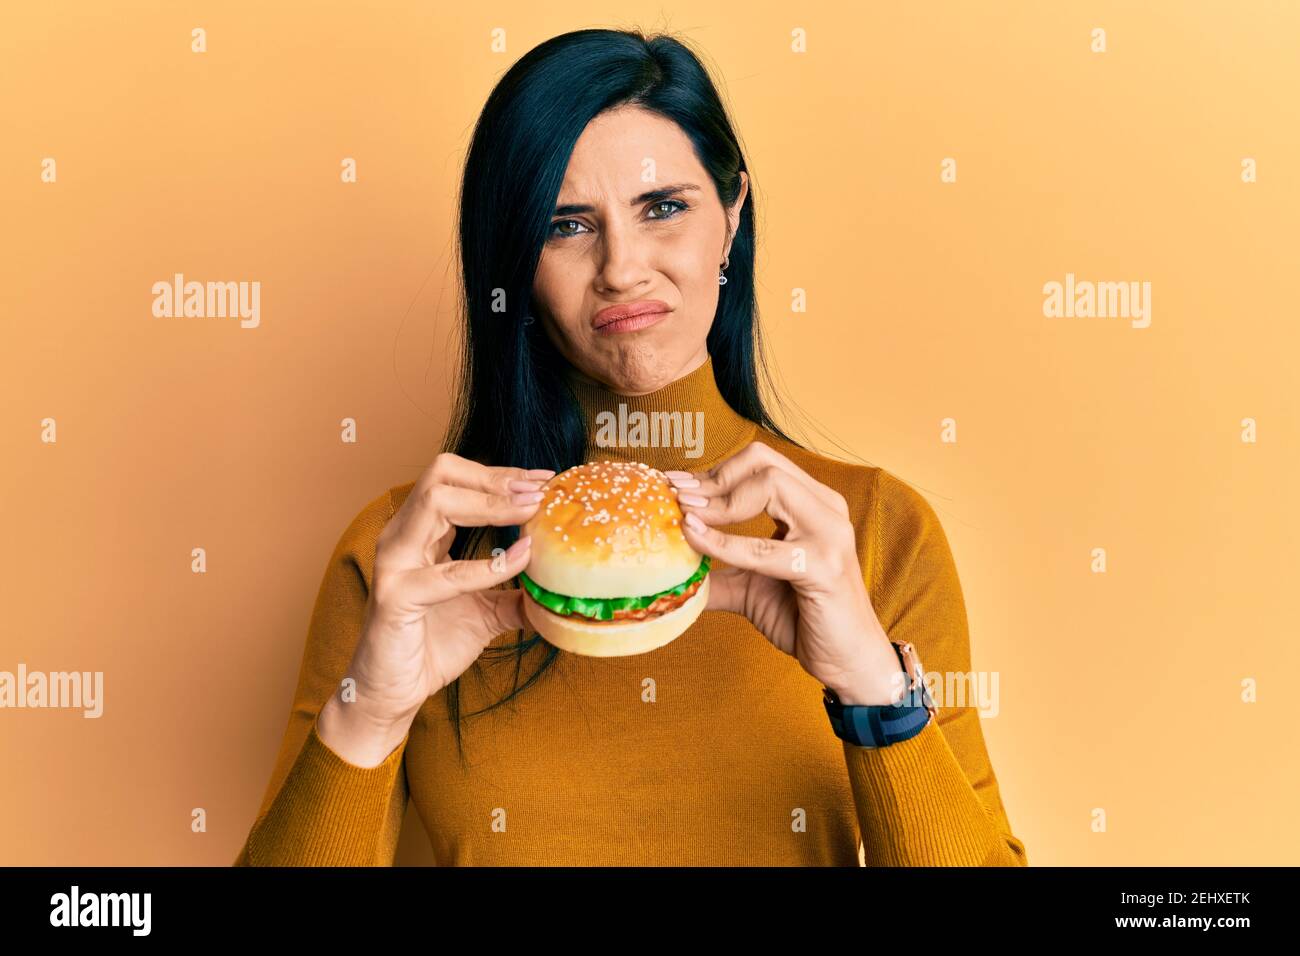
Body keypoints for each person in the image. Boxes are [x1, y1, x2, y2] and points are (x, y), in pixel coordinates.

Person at [234, 27, 1028, 866]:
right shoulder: (406, 558)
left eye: (663, 208)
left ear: (731, 218)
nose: (621, 268)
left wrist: (876, 692)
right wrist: (369, 715)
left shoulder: (868, 531)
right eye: (566, 225)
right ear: (515, 263)